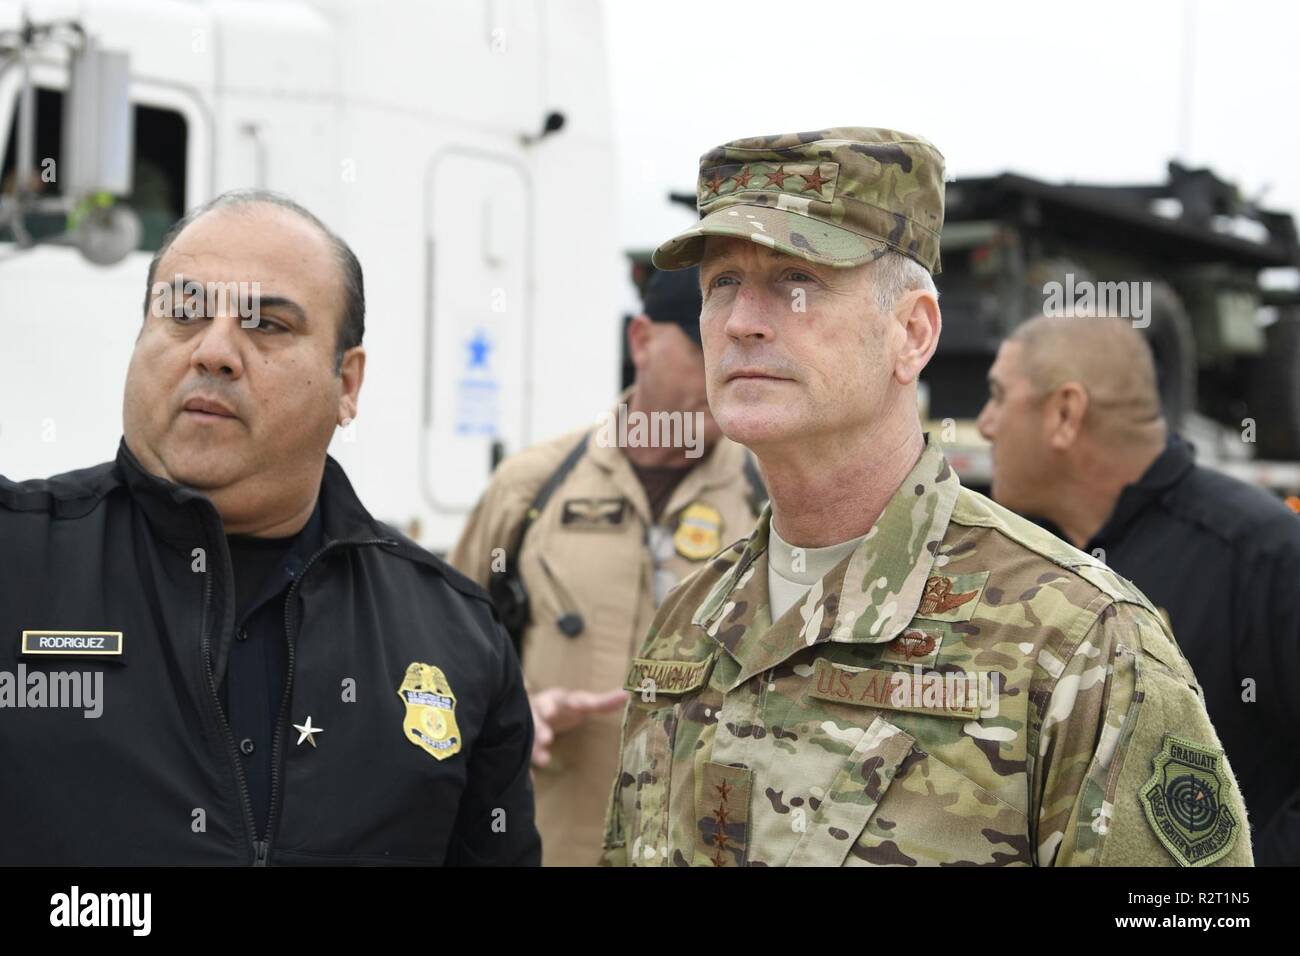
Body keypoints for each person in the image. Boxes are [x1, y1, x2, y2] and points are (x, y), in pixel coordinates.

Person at [600, 127, 1252, 867]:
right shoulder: (689, 623)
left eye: (796, 283)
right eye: (722, 283)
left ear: (911, 333)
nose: (744, 320)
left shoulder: (1078, 645)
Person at [0, 190, 540, 865]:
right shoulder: (17, 560)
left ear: (348, 383)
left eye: (269, 326)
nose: (216, 351)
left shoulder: (456, 634)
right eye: (184, 313)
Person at [451, 266, 765, 866]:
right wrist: (515, 712)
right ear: (642, 340)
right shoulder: (531, 488)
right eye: (703, 340)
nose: (725, 364)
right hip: (548, 842)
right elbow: (439, 660)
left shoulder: (769, 504)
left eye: (742, 342)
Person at [977, 313, 1300, 865]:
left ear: (1064, 413)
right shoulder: (1030, 558)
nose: (984, 424)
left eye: (998, 396)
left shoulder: (1264, 556)